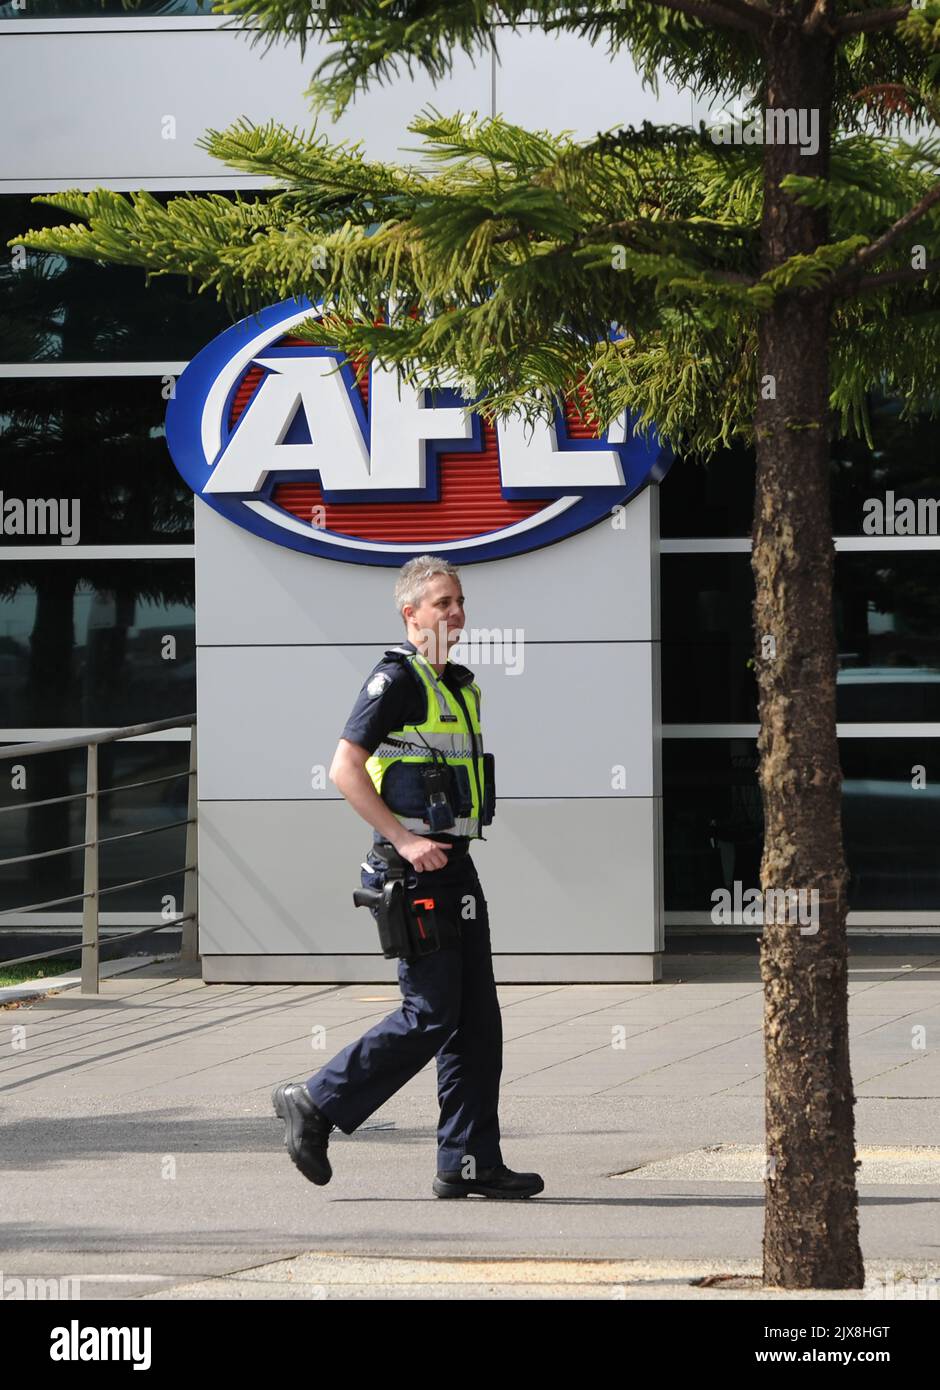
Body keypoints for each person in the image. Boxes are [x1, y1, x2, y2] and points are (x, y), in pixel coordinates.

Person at [272, 554, 544, 1199]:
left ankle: (468, 1163)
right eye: (442, 603)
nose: (455, 613)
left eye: (458, 601)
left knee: (476, 1021)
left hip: (455, 865)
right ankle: (314, 1100)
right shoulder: (396, 679)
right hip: (411, 870)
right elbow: (345, 768)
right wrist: (403, 839)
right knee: (430, 1014)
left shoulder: (456, 681)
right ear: (410, 613)